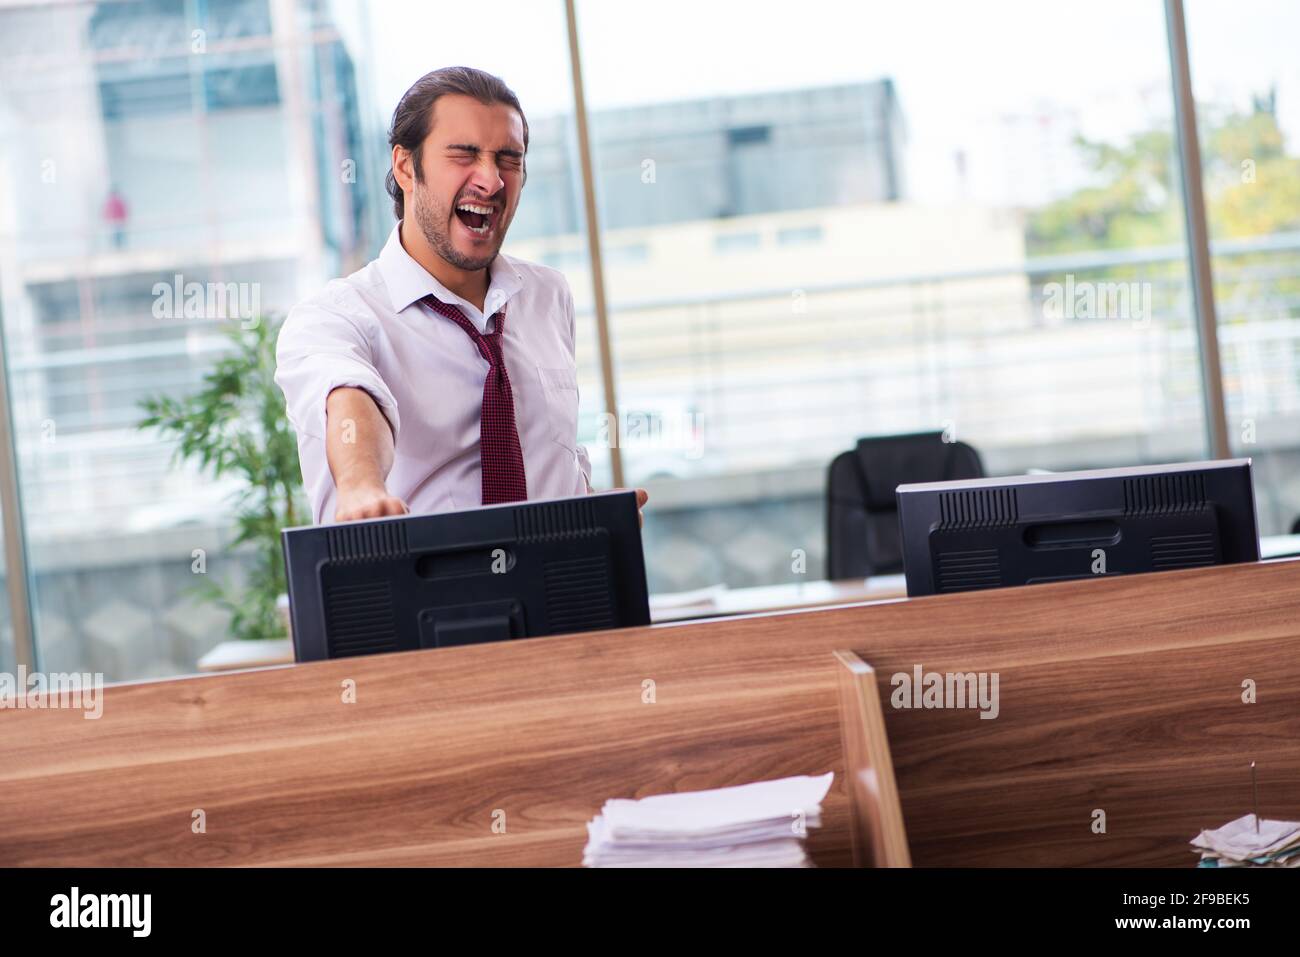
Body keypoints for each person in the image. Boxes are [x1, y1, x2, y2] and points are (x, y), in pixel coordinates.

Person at [275, 66, 646, 525]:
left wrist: (593, 517)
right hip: (422, 591)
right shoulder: (335, 317)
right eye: (464, 154)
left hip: (556, 585)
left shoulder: (548, 296)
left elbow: (551, 450)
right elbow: (349, 396)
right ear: (406, 166)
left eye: (509, 158)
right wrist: (361, 488)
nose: (491, 180)